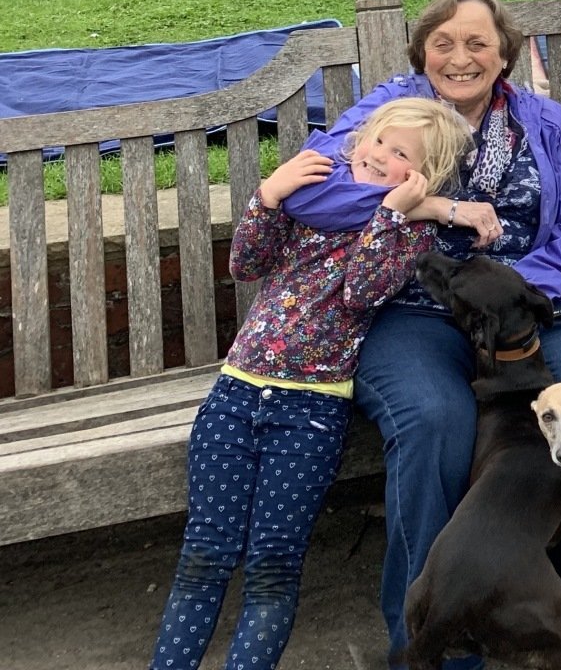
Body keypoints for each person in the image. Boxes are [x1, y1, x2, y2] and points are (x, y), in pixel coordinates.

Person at [310, 0, 561, 668]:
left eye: (477, 43)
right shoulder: (389, 111)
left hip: (530, 305)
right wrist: (430, 211)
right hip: (417, 307)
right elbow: (314, 186)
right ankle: (429, 634)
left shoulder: (541, 122)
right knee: (433, 420)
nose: (459, 58)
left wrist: (505, 295)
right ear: (422, 52)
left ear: (504, 56)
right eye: (443, 44)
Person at [148, 97, 471, 670]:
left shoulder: (408, 234)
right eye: (378, 141)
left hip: (311, 414)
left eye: (401, 155)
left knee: (273, 565)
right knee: (205, 554)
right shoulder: (310, 200)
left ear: (422, 176)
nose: (380, 156)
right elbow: (246, 263)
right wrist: (270, 194)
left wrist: (395, 214)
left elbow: (360, 292)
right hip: (236, 396)